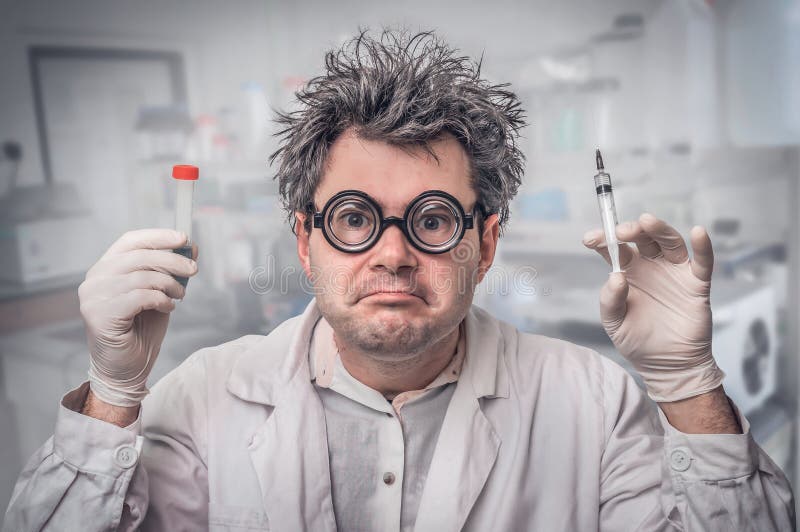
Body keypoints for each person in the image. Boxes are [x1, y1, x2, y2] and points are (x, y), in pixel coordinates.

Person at [3, 30, 795, 532]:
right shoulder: (204, 396)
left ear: (486, 245)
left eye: (432, 219)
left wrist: (688, 386)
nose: (391, 253)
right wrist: (111, 393)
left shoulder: (593, 404)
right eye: (353, 217)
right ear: (304, 242)